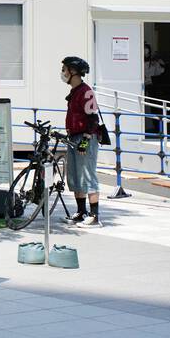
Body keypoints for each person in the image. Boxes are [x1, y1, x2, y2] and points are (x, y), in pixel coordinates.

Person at [62, 56, 102, 227]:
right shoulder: (74, 92)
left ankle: (94, 216)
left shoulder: (86, 92)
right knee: (75, 176)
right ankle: (81, 212)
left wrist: (86, 139)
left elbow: (93, 118)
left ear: (73, 72)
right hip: (73, 137)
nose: (62, 73)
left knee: (88, 175)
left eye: (64, 70)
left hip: (85, 137)